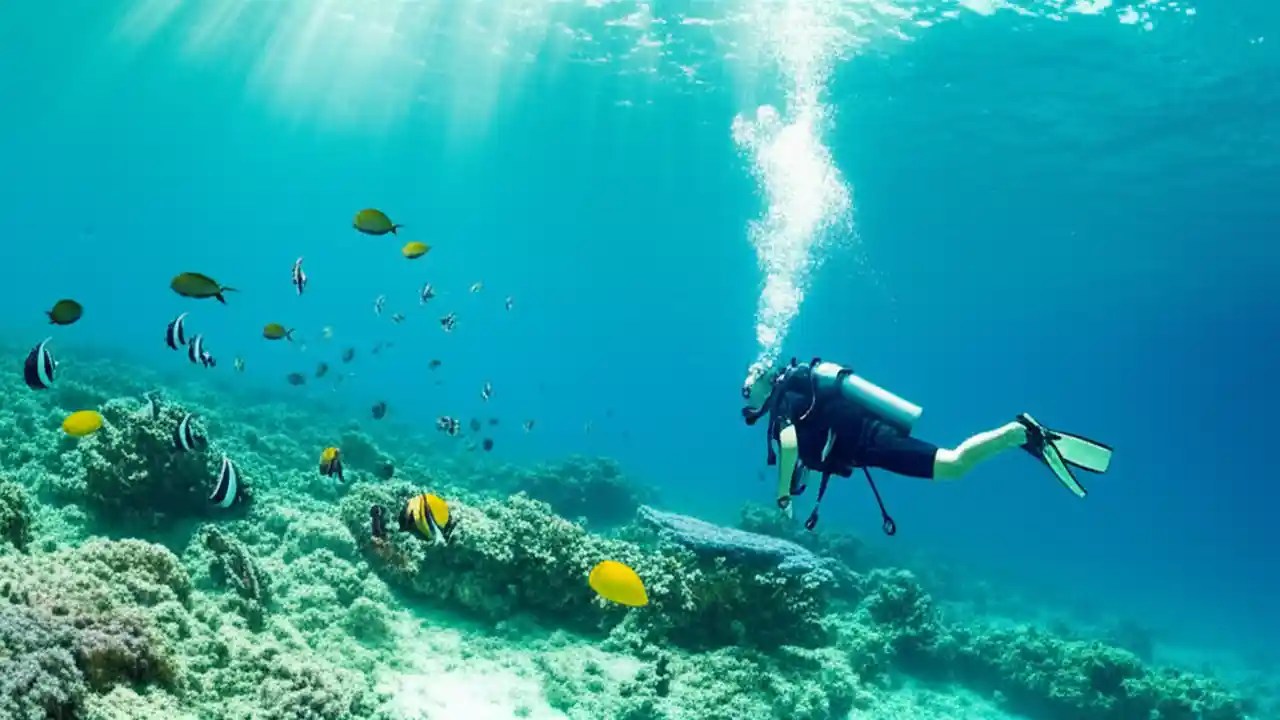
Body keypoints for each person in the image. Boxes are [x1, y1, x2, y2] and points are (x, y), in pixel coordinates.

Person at [741, 357, 1113, 534]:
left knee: (954, 466)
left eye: (747, 388)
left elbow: (790, 447)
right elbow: (813, 452)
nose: (745, 395)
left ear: (766, 381)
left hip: (874, 442)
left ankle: (1018, 433)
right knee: (954, 467)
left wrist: (782, 496)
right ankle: (1022, 438)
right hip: (871, 438)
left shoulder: (786, 401)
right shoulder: (797, 397)